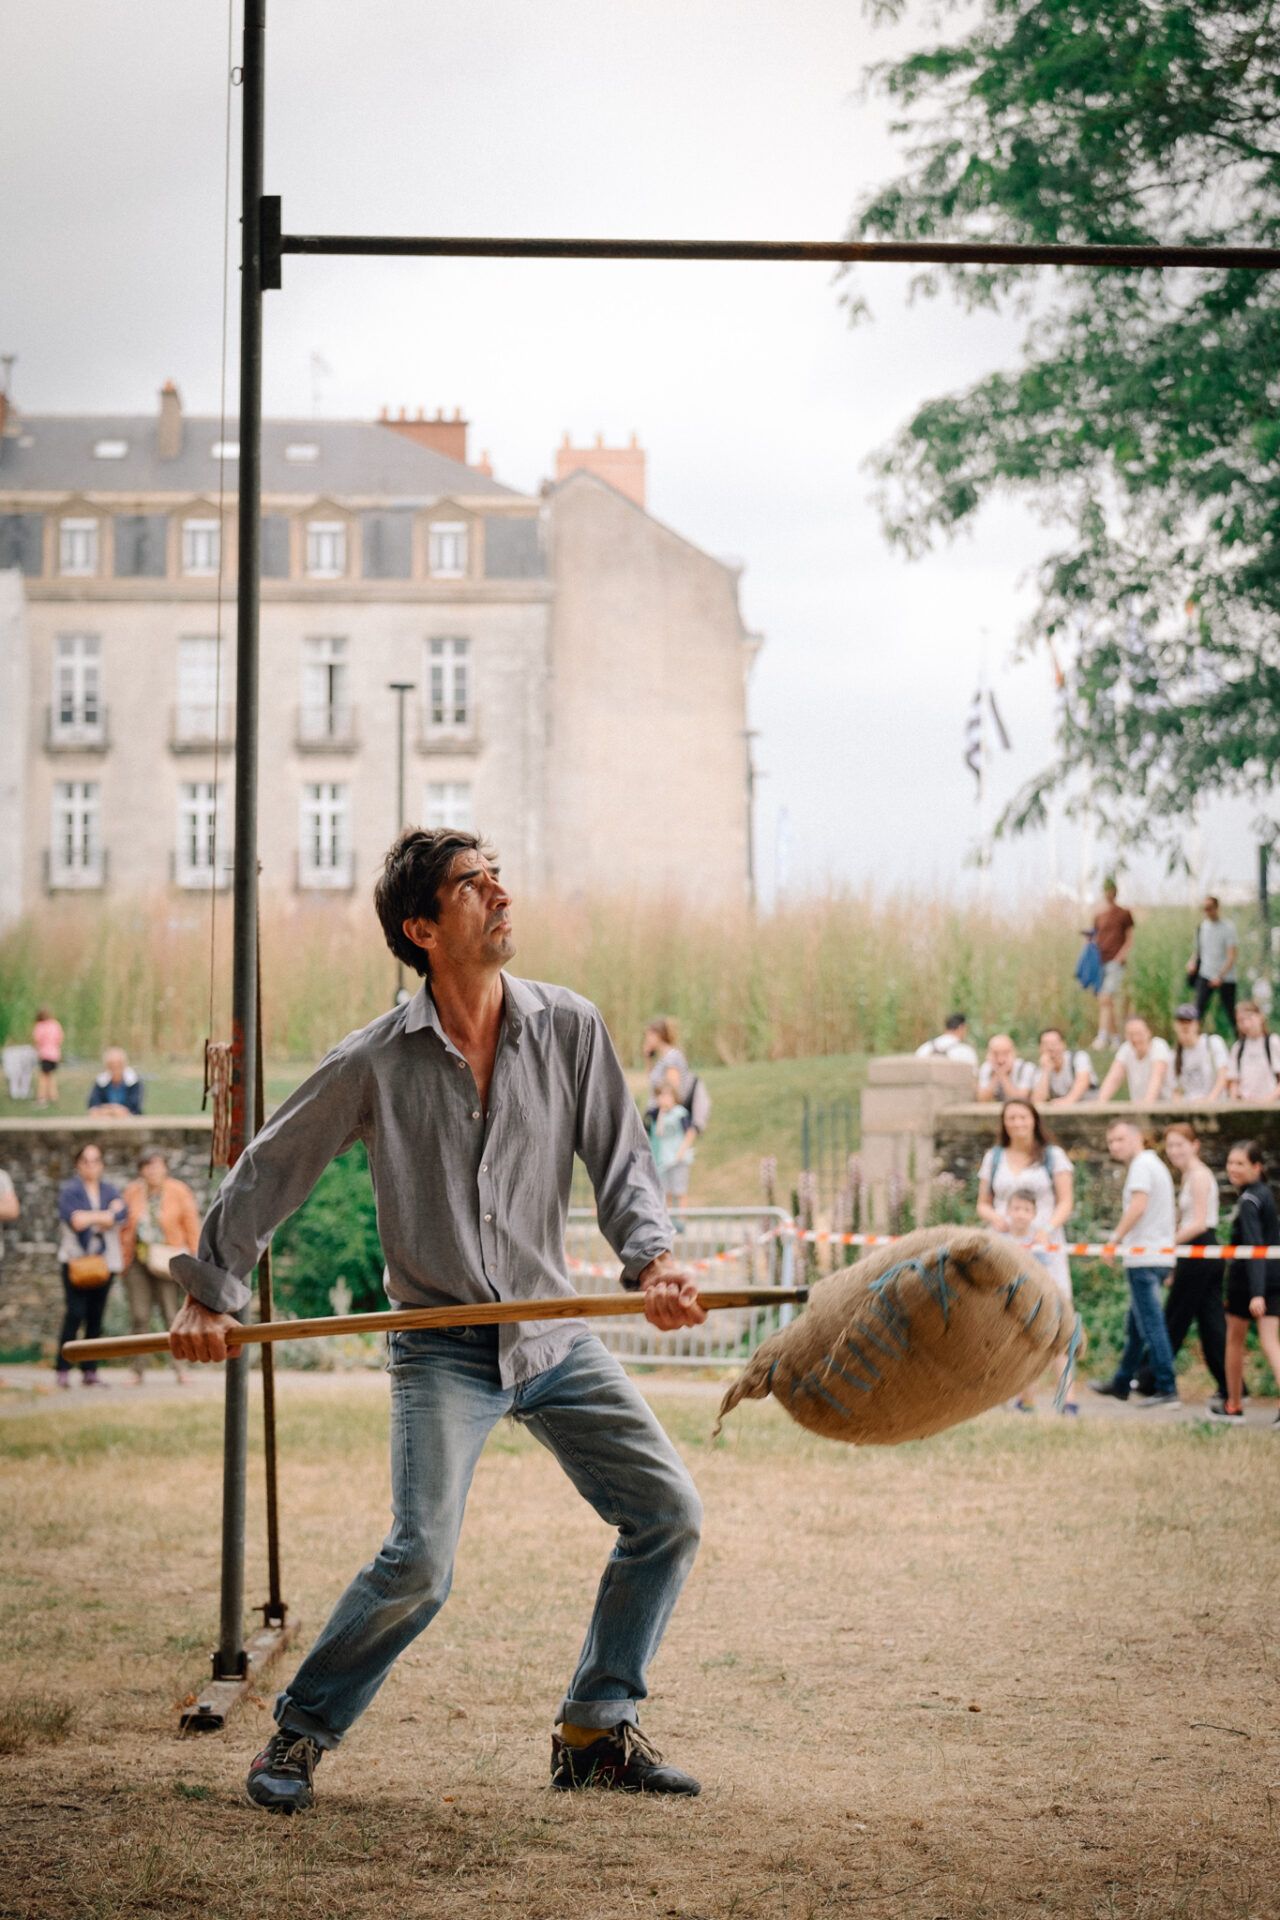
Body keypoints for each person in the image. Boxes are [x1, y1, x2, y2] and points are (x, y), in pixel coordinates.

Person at [168, 827, 707, 1814]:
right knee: (418, 1559)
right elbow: (274, 1166)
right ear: (421, 928)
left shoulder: (568, 1028)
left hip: (551, 1334)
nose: (499, 890)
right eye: (471, 883)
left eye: (496, 872)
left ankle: (593, 1731)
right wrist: (211, 1289)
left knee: (667, 1513)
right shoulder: (374, 1060)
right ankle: (299, 1733)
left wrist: (655, 1263)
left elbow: (623, 1167)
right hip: (440, 1348)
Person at [976, 1100, 1076, 1410]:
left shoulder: (1052, 1156)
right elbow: (983, 1202)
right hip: (1007, 1244)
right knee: (1014, 1319)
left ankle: (1067, 1398)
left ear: (1034, 1120)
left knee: (1057, 1317)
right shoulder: (994, 1157)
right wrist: (995, 1219)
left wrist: (1047, 1227)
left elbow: (1065, 1201)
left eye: (1022, 1117)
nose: (1017, 1123)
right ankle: (1023, 1396)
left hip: (1045, 1245)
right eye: (1010, 1118)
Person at [1088, 1120, 1180, 1408]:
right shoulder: (1155, 1165)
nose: (1114, 1145)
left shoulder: (1141, 1166)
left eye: (1119, 1139)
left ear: (1137, 1138)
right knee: (1137, 1326)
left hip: (1144, 1257)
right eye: (1110, 1141)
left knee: (1151, 1325)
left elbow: (1138, 1206)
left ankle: (1167, 1388)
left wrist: (1114, 1240)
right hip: (1158, 1254)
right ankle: (1121, 1382)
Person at [1132, 1125, 1227, 1403]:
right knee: (1210, 1323)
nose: (1174, 1151)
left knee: (1175, 1315)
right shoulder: (1188, 1176)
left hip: (1200, 1249)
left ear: (1195, 1145)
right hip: (1194, 1252)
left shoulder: (1199, 1176)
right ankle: (1230, 1384)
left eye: (1180, 1145)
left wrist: (1166, 1245)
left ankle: (1150, 1379)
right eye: (1170, 1146)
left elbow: (1198, 1222)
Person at [1212, 1141, 1280, 1426]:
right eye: (1230, 1162)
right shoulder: (1264, 1194)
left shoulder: (1250, 1200)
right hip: (1274, 1275)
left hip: (1250, 1283)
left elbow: (1254, 1247)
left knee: (1237, 1341)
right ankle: (1234, 1402)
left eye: (1240, 1163)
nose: (1233, 1168)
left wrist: (1256, 1293)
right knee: (1270, 1342)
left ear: (1256, 1167)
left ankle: (1234, 1405)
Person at [120, 1147, 200, 1385]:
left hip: (167, 1258)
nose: (153, 1170)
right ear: (141, 1170)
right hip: (138, 1260)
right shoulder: (133, 1192)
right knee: (139, 1316)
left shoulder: (178, 1191)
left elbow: (191, 1224)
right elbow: (124, 1226)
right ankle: (137, 1369)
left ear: (165, 1167)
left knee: (171, 1314)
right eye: (148, 1166)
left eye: (158, 1165)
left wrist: (194, 1259)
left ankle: (180, 1367)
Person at [1001, 1185, 1079, 1414]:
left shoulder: (1040, 1241)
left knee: (1057, 1349)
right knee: (1025, 1353)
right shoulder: (1000, 1239)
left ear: (1034, 1214)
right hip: (1013, 1308)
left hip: (1040, 1304)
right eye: (1016, 1208)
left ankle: (1069, 1402)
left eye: (1026, 1209)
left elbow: (1046, 1273)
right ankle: (1026, 1401)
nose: (1020, 1214)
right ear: (1008, 1211)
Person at [56, 1141, 127, 1388]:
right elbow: (75, 1220)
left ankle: (90, 1369)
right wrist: (105, 1216)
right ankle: (63, 1367)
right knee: (75, 1314)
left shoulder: (109, 1189)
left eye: (95, 1160)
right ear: (78, 1165)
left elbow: (121, 1214)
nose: (91, 1166)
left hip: (103, 1263)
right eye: (86, 1161)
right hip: (76, 1261)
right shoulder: (70, 1191)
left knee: (96, 1317)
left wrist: (91, 1217)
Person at [642, 1018, 711, 1137]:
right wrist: (648, 1057)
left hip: (666, 1117)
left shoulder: (671, 1058)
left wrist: (662, 1112)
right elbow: (652, 1079)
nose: (647, 1039)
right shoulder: (663, 1058)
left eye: (649, 1035)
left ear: (658, 1035)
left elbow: (672, 1088)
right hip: (660, 1113)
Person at [1090, 881, 1135, 1050]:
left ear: (1115, 892)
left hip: (1115, 961)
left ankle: (1102, 1037)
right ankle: (1116, 1038)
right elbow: (1095, 937)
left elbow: (1130, 938)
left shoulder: (1124, 914)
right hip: (1100, 961)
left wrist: (1120, 957)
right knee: (1106, 1002)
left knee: (1106, 997)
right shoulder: (1099, 915)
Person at [1185, 896, 1238, 1032]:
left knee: (1231, 1012)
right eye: (1204, 909)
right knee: (1197, 1011)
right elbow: (1198, 952)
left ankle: (1241, 1042)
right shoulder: (1202, 927)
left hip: (1225, 977)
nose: (1207, 912)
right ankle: (1192, 1040)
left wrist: (1220, 976)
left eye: (1209, 908)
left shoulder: (1228, 927)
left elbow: (1231, 956)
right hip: (1205, 973)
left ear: (1217, 908)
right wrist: (1192, 963)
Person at [1096, 1016, 1172, 1107]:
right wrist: (1099, 1102)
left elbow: (1157, 1078)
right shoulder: (1126, 1049)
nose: (1135, 1038)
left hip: (1164, 1108)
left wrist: (1147, 1104)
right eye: (1131, 1034)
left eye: (1139, 1034)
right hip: (1138, 1109)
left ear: (1148, 1032)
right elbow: (1113, 1079)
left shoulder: (1159, 1046)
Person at [647, 1081, 696, 1217]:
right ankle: (667, 1220)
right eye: (661, 1097)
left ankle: (681, 1219)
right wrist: (662, 1113)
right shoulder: (657, 1116)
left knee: (680, 1191)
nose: (663, 1099)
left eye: (667, 1096)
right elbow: (658, 1133)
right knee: (666, 1192)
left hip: (679, 1158)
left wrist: (681, 1152)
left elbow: (690, 1133)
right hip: (663, 1159)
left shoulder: (680, 1113)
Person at [1168, 1005, 1229, 1103]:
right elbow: (1176, 1090)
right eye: (1181, 1022)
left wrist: (1209, 1100)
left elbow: (1223, 1076)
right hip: (1189, 1109)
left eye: (1189, 1021)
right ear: (1175, 1025)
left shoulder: (1212, 1043)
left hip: (1215, 1107)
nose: (1185, 1025)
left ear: (1197, 1024)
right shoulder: (1173, 1056)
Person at [1226, 1000, 1280, 1103]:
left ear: (1260, 1017)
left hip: (1270, 1105)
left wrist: (1267, 1099)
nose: (1246, 1024)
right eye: (1241, 1021)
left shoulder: (1273, 1042)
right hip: (1245, 1105)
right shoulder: (1238, 1047)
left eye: (1249, 1018)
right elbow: (1234, 1081)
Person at [1032, 1027, 1097, 1106]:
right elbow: (1037, 1101)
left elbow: (1083, 1081)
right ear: (1040, 1048)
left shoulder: (1078, 1057)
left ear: (1063, 1044)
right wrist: (1046, 1072)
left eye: (1054, 1043)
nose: (1051, 1048)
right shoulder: (1041, 1069)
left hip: (1090, 1107)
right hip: (1062, 1113)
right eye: (1046, 1044)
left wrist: (1068, 1100)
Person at [87, 1047, 144, 1119]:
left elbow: (134, 1107)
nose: (115, 1068)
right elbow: (93, 1106)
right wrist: (114, 1110)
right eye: (111, 1065)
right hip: (104, 1120)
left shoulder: (134, 1082)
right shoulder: (100, 1082)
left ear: (124, 1064)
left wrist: (109, 1110)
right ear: (107, 1066)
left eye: (119, 1064)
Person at [976, 1034, 1036, 1103]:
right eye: (995, 1054)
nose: (1000, 1059)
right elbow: (981, 1099)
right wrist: (996, 1076)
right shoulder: (986, 1067)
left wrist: (1003, 1076)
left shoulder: (1026, 1068)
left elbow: (1020, 1100)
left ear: (1014, 1053)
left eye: (1005, 1053)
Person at [32, 1007, 64, 1107]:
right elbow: (60, 1038)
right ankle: (53, 1096)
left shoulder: (40, 1026)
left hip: (45, 1054)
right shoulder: (55, 1025)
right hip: (55, 1054)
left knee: (43, 1077)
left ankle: (42, 1098)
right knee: (52, 1076)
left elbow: (37, 1040)